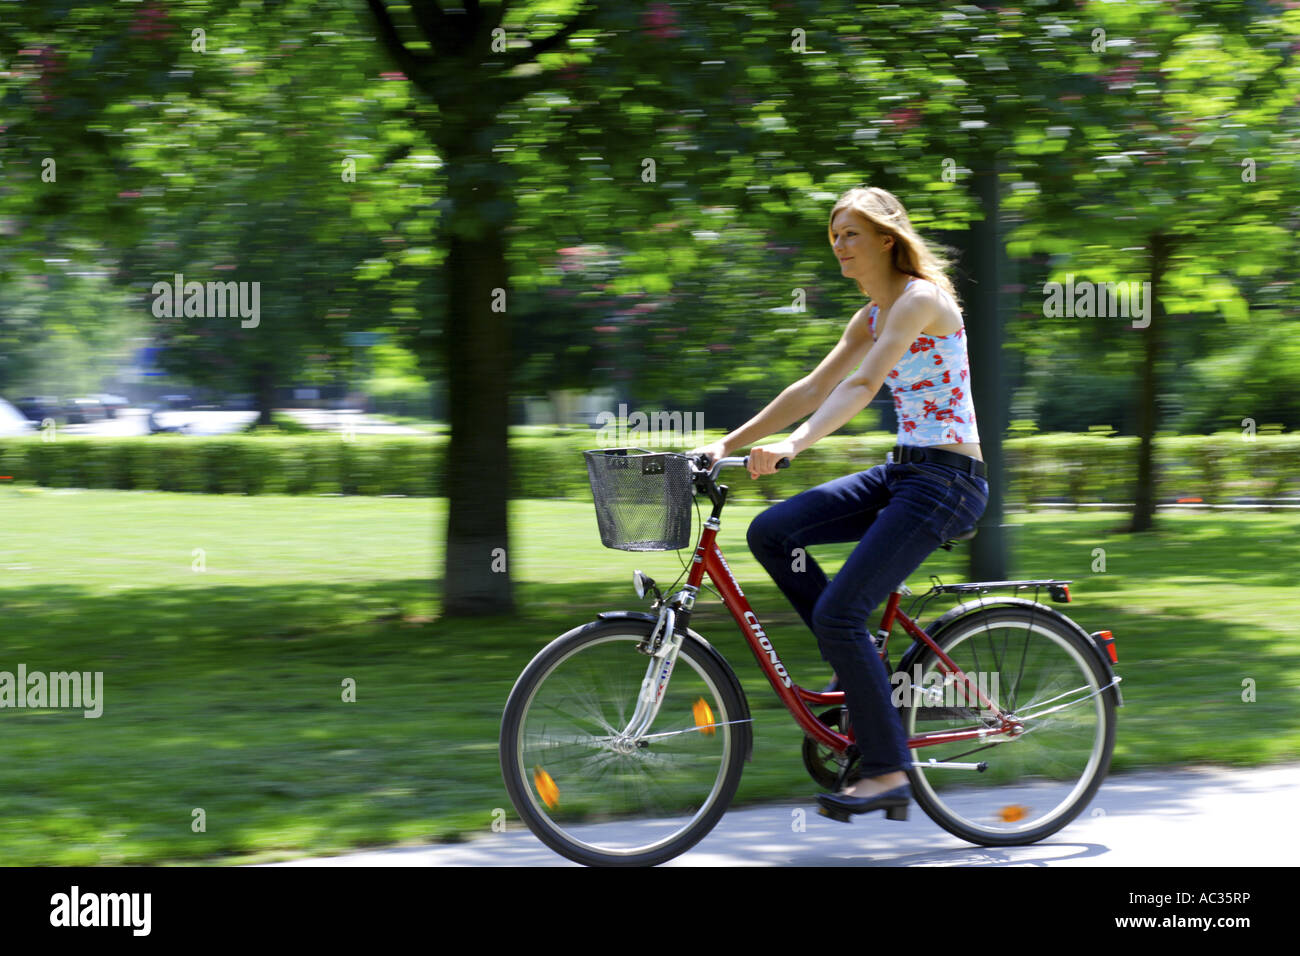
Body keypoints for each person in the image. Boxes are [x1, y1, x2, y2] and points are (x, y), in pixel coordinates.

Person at [689, 185, 989, 823]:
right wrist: (727, 444)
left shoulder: (919, 300)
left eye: (850, 234)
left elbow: (863, 383)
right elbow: (814, 386)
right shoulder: (872, 315)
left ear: (886, 238)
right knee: (773, 532)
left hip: (948, 482)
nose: (839, 247)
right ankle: (861, 673)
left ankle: (885, 771)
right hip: (905, 472)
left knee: (840, 613)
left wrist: (794, 445)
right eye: (833, 237)